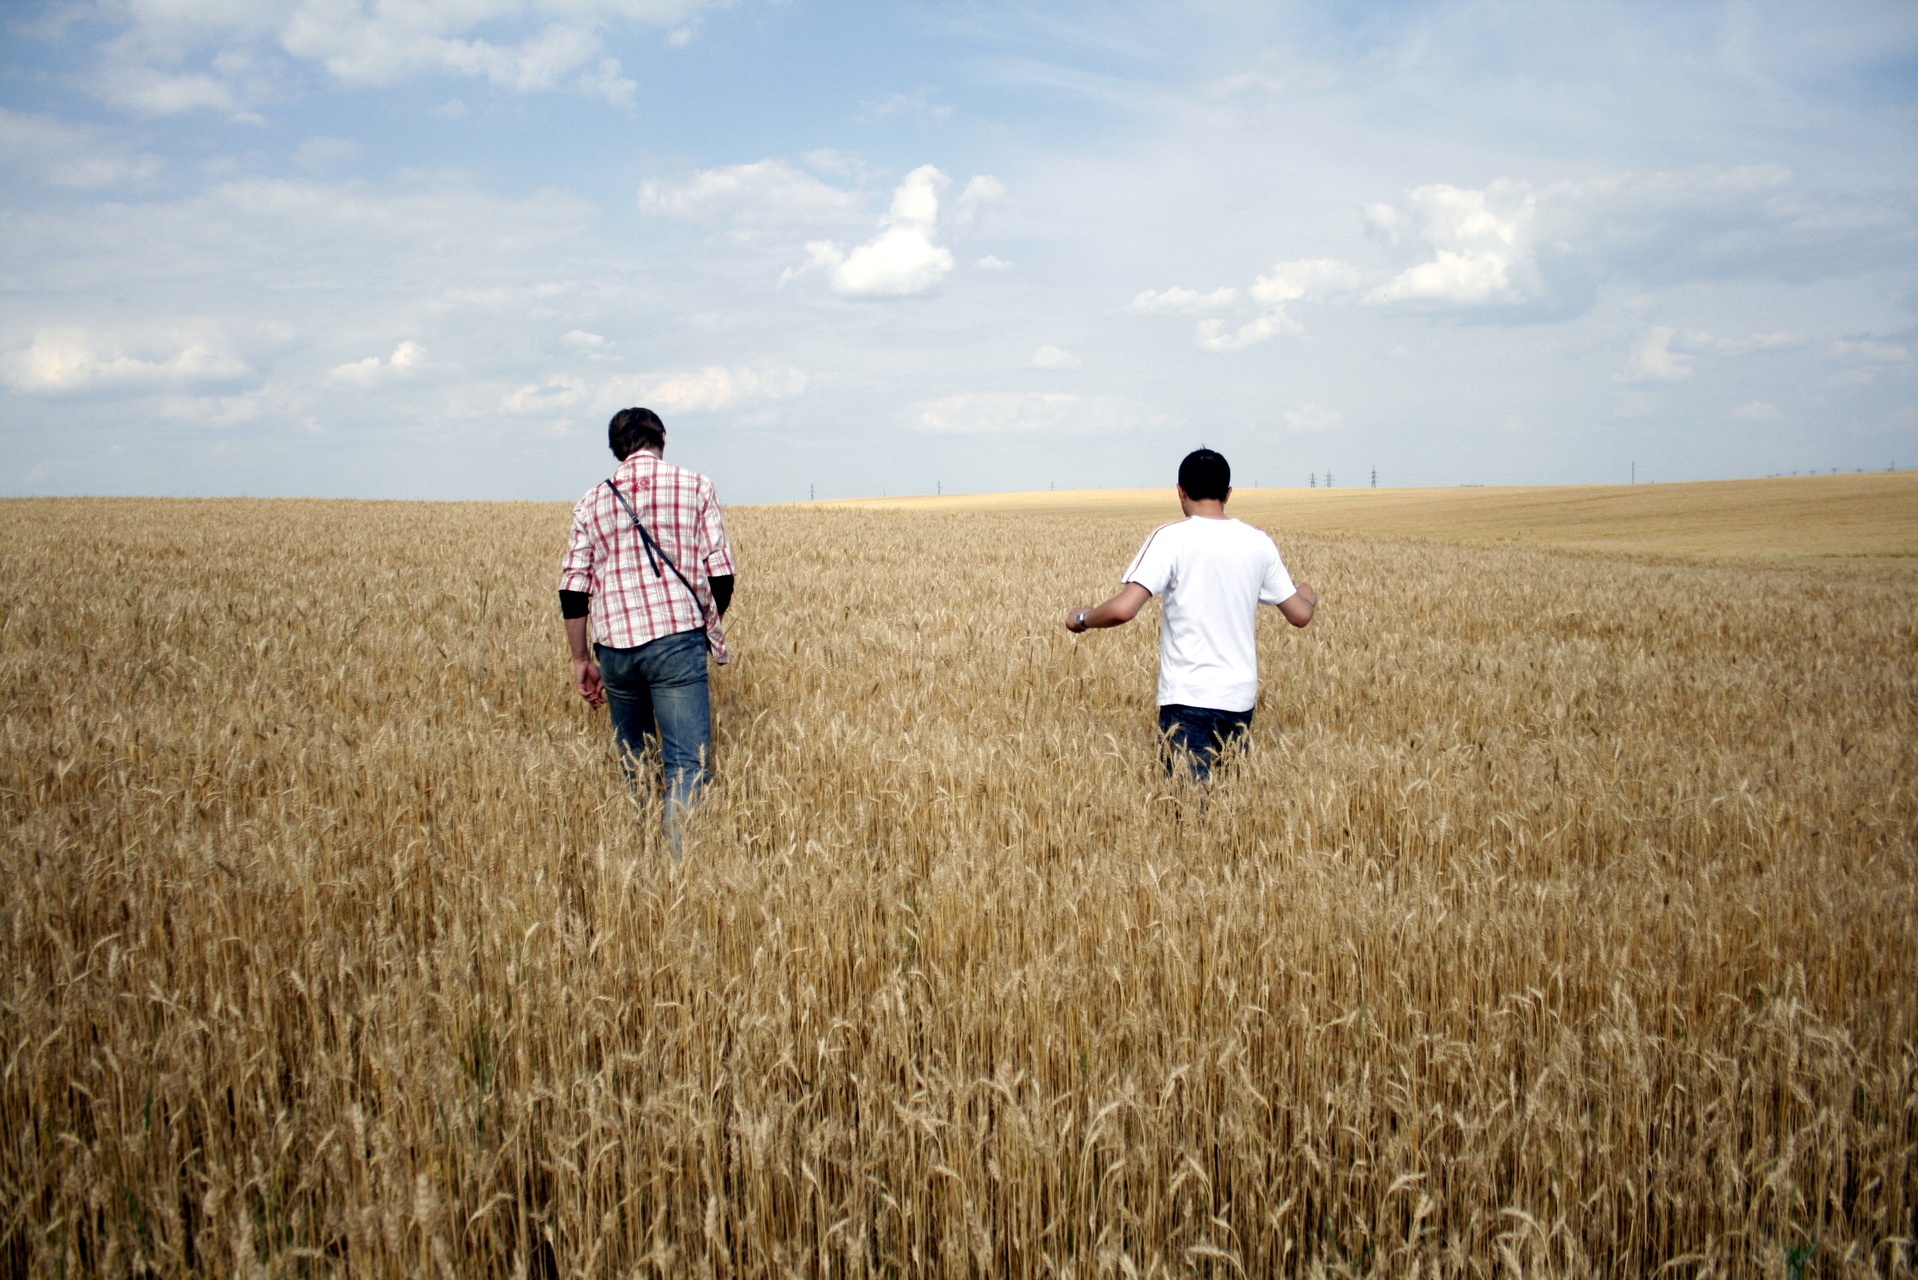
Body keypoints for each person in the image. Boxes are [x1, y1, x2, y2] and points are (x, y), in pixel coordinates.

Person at [1065, 447, 1316, 780]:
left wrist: (1082, 619)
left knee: (1186, 815)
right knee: (1228, 811)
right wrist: (1307, 596)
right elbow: (1299, 615)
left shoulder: (1171, 538)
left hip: (1189, 696)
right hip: (1239, 699)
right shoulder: (1258, 543)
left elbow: (1124, 610)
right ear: (1228, 494)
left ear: (1180, 491)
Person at [560, 407, 736, 850]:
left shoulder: (591, 501)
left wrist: (582, 659)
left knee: (635, 762)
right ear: (663, 437)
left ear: (616, 450)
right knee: (685, 764)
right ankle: (676, 870)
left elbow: (573, 590)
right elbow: (721, 575)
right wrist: (700, 627)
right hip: (677, 637)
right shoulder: (695, 485)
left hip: (614, 648)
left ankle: (635, 864)